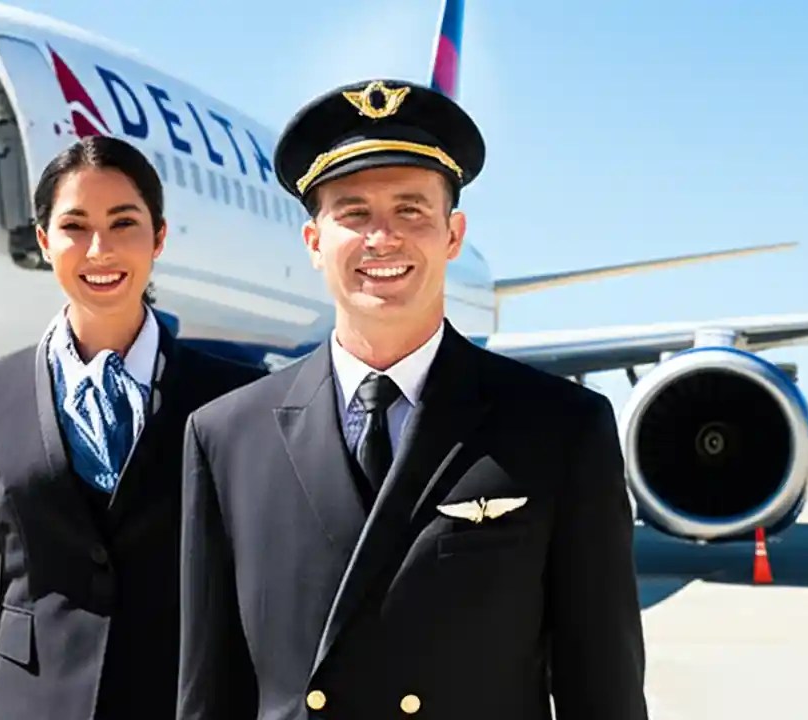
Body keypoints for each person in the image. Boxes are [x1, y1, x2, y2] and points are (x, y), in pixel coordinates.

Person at [177, 79, 647, 720]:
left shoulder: (560, 428)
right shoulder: (226, 437)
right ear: (314, 242)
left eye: (411, 211)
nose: (383, 238)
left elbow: (604, 687)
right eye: (354, 214)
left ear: (453, 236)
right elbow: (209, 691)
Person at [0, 135, 265, 720]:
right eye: (75, 225)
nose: (99, 249)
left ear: (159, 238)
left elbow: (259, 597)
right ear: (44, 240)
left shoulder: (232, 398)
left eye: (123, 223)